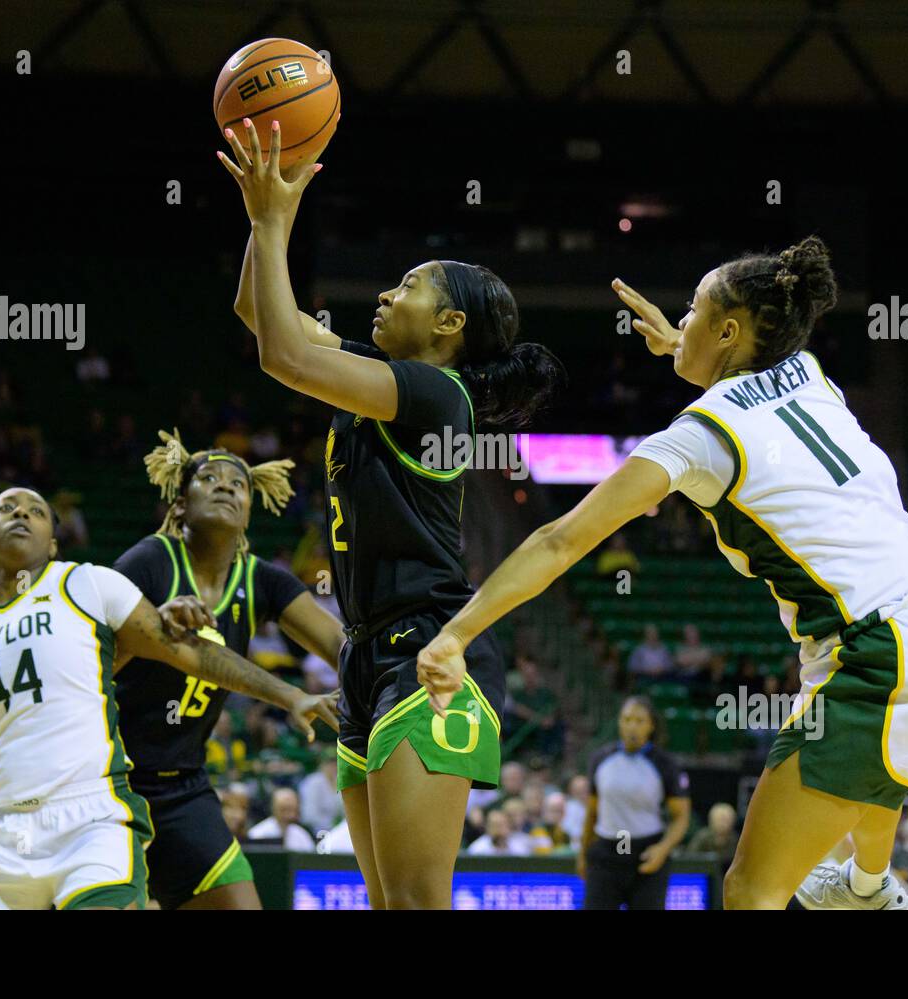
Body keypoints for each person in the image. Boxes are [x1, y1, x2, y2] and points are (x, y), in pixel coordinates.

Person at [418, 236, 908, 910]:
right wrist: (688, 351)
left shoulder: (700, 435)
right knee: (871, 774)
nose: (678, 320)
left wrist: (456, 632)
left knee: (750, 889)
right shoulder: (807, 369)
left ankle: (872, 892)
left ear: (729, 329)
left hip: (879, 650)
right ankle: (869, 886)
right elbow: (749, 386)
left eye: (691, 311)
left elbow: (560, 539)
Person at [218, 118, 565, 909]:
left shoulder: (438, 393)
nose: (384, 291)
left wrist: (277, 221)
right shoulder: (375, 376)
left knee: (415, 902)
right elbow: (255, 311)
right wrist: (260, 214)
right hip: (365, 655)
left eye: (408, 285)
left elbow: (283, 355)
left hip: (429, 650)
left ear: (450, 325)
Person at [0, 486, 337, 910]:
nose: (21, 515)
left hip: (86, 823)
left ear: (51, 542)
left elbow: (193, 652)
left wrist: (290, 695)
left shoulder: (86, 584)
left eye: (36, 511)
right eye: (6, 508)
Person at [113, 434, 345, 910]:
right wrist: (154, 627)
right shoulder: (149, 562)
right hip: (108, 780)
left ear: (247, 513)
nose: (225, 487)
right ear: (179, 506)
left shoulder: (263, 579)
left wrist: (406, 671)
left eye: (238, 484)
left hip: (183, 786)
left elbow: (342, 647)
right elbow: (86, 656)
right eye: (208, 478)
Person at [576, 697, 691, 909]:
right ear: (619, 722)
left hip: (646, 852)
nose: (632, 726)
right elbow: (592, 812)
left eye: (639, 720)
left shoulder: (665, 764)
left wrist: (662, 849)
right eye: (627, 719)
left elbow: (681, 817)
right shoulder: (600, 759)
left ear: (651, 725)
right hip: (606, 852)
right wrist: (583, 853)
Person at [247, 787, 315, 851]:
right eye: (285, 809)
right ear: (274, 808)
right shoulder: (258, 834)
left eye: (292, 808)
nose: (289, 814)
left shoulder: (301, 834)